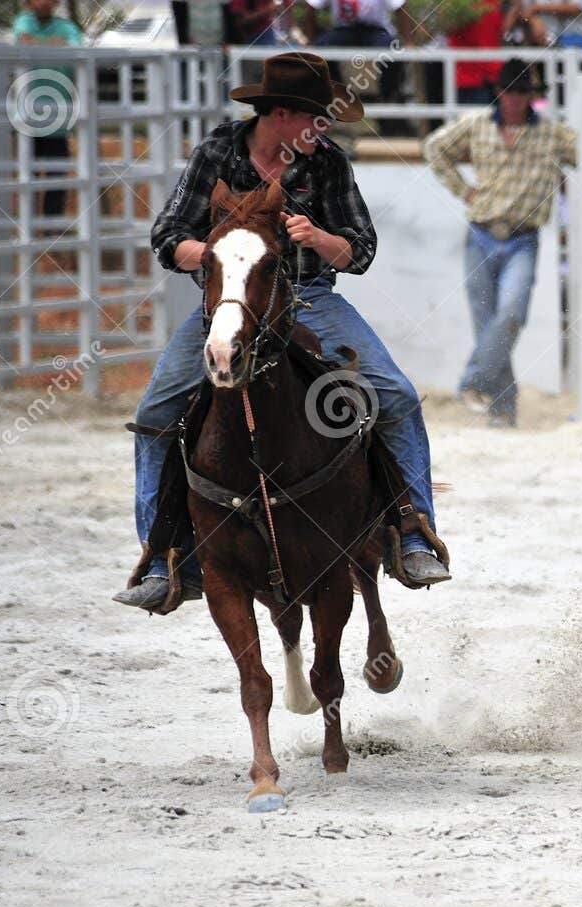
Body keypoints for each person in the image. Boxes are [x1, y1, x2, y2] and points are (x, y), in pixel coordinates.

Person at [117, 52, 451, 611]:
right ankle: (164, 554)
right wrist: (222, 256)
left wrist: (318, 238)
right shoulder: (218, 153)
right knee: (155, 413)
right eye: (313, 117)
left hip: (308, 297)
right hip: (227, 301)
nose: (322, 128)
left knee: (395, 395)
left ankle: (413, 534)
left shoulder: (327, 164)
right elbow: (167, 235)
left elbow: (359, 250)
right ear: (277, 114)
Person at [423, 58, 582, 426]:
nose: (516, 99)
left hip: (521, 237)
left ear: (530, 96)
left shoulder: (550, 133)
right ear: (499, 93)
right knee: (491, 325)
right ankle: (502, 408)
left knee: (509, 316)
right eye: (511, 91)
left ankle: (473, 382)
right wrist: (463, 190)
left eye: (522, 92)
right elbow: (434, 149)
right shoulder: (476, 126)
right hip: (482, 232)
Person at [11, 0, 83, 228]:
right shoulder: (23, 22)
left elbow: (75, 48)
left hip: (58, 119)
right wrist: (56, 46)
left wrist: (38, 45)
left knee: (56, 180)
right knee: (27, 179)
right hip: (27, 117)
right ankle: (28, 230)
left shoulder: (67, 27)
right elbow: (23, 41)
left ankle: (51, 233)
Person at [302, 0, 411, 134]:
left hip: (375, 30)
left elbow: (400, 7)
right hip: (342, 30)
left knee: (395, 51)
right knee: (320, 52)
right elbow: (312, 5)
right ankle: (337, 97)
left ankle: (387, 100)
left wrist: (408, 41)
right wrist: (310, 39)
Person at [446, 0, 507, 106]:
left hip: (494, 77)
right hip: (468, 78)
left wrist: (515, 7)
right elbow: (447, 26)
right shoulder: (454, 4)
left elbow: (500, 33)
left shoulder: (495, 3)